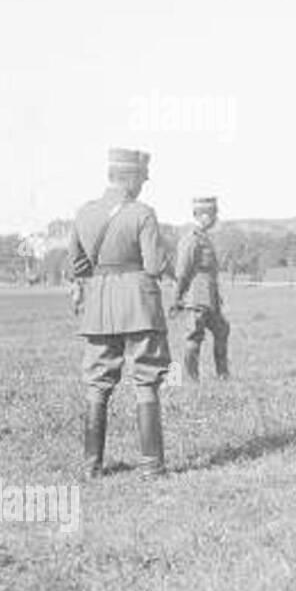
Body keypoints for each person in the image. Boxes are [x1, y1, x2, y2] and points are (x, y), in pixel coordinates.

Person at [67, 148, 170, 478]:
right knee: (147, 380)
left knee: (97, 383)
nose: (144, 184)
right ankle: (151, 465)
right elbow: (154, 266)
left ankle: (90, 466)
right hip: (139, 304)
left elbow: (79, 266)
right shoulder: (143, 213)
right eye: (142, 178)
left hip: (98, 306)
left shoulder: (84, 213)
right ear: (130, 178)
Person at [173, 196, 230, 382]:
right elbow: (182, 271)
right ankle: (191, 379)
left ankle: (223, 375)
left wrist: (216, 295)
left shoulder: (204, 237)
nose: (216, 218)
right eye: (214, 214)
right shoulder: (192, 238)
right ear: (204, 215)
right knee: (194, 336)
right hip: (195, 297)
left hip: (209, 297)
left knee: (222, 329)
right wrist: (177, 297)